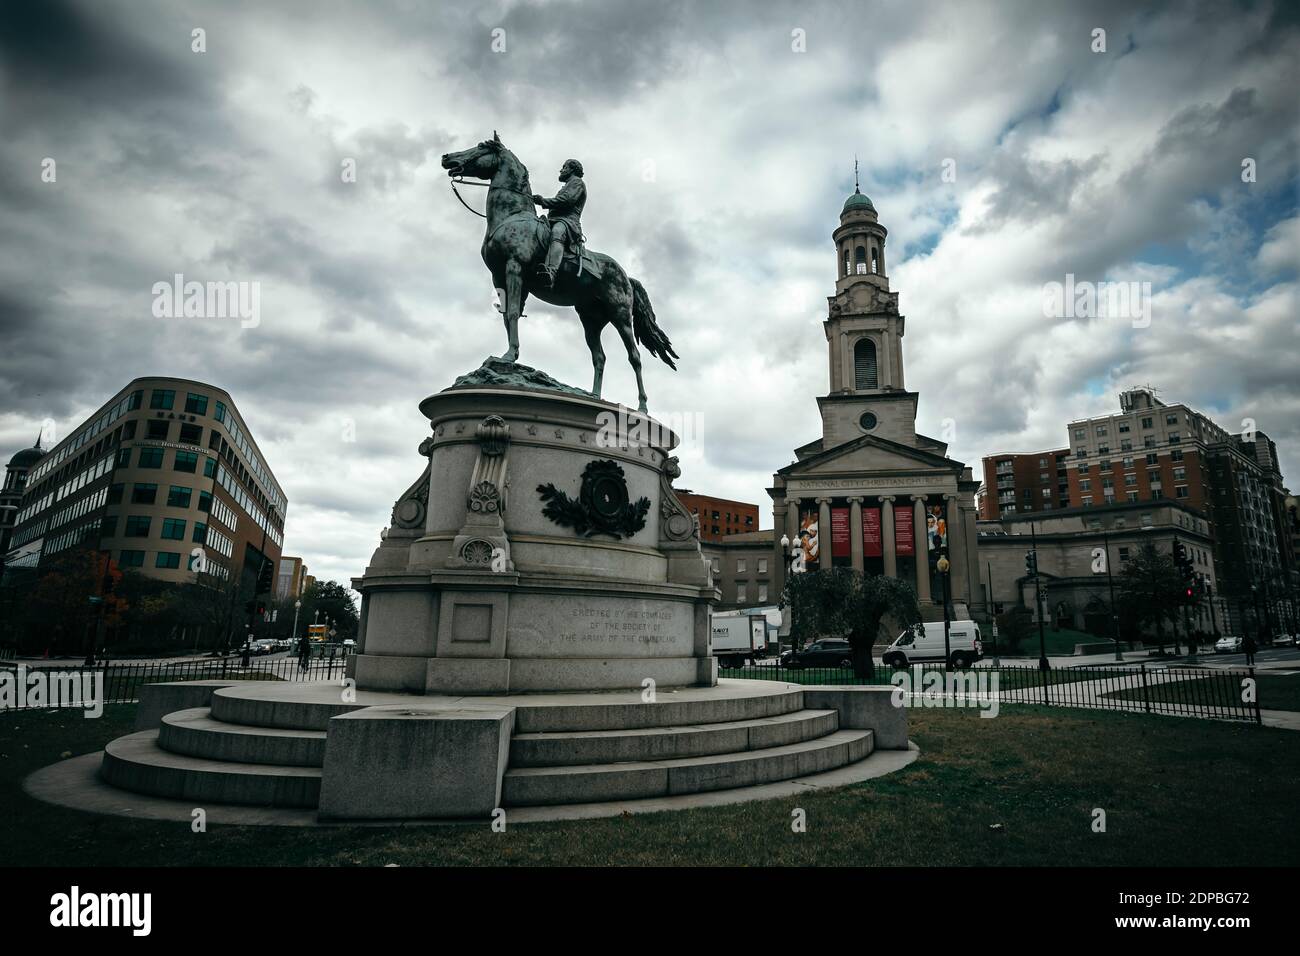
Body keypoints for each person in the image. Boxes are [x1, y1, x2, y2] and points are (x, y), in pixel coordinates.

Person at [532, 159, 586, 288]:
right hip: (554, 220)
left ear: (572, 169)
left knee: (557, 232)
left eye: (564, 167)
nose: (561, 170)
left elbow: (567, 200)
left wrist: (543, 201)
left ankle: (551, 272)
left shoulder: (577, 182)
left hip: (567, 222)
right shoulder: (567, 185)